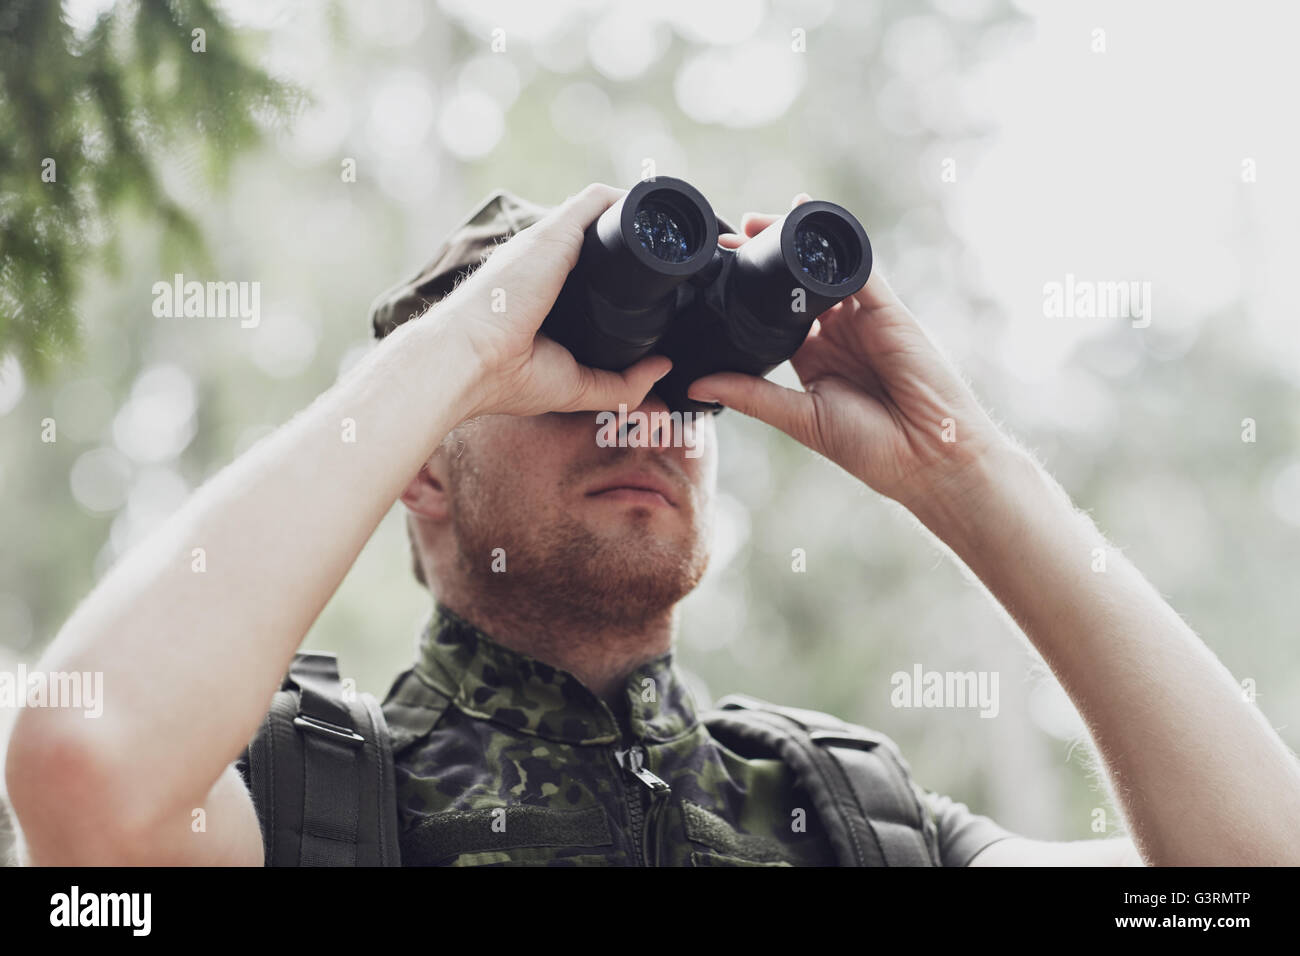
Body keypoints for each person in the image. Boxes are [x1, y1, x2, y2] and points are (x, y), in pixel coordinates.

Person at [7, 183, 1299, 866]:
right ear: (419, 471)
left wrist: (965, 470)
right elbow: (85, 768)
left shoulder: (848, 818)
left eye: (678, 384)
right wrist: (457, 350)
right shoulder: (308, 807)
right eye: (571, 375)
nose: (643, 416)